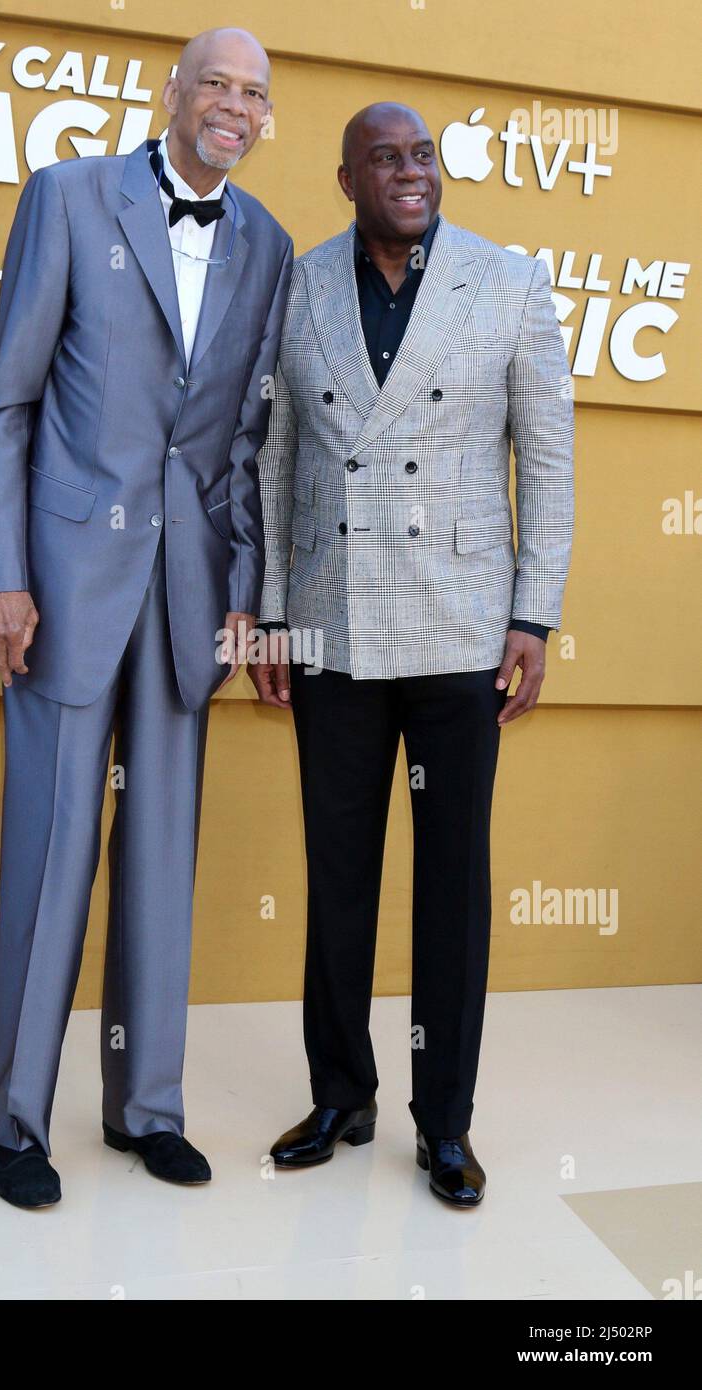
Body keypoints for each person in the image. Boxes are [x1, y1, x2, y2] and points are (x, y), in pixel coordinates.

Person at [0, 27, 292, 1206]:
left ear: (263, 119)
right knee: (51, 857)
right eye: (216, 82)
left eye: (252, 94)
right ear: (172, 90)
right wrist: (2, 578)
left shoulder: (267, 243)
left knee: (161, 860)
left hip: (189, 594)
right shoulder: (65, 197)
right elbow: (3, 407)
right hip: (59, 588)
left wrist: (248, 601)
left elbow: (247, 447)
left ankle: (143, 1107)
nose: (232, 107)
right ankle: (14, 1122)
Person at [250, 102, 573, 1206]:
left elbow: (548, 459)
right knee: (336, 878)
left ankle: (444, 1120)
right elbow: (274, 458)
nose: (408, 171)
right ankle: (341, 1094)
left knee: (452, 887)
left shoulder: (507, 279)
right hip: (333, 623)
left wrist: (532, 616)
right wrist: (266, 614)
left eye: (421, 155)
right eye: (382, 157)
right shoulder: (299, 284)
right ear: (346, 179)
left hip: (458, 628)